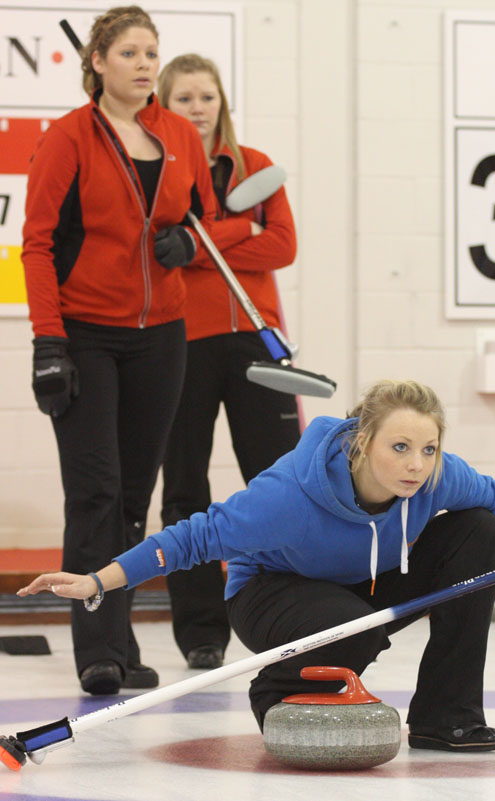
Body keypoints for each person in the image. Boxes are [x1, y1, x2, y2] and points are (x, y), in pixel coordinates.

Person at [17, 379, 495, 751]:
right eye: (399, 447)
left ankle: (448, 715)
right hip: (273, 594)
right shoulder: (289, 494)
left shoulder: (436, 474)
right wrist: (98, 581)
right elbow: (192, 539)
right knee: (352, 632)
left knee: (475, 527)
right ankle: (276, 688)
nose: (416, 465)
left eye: (428, 449)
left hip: (365, 586)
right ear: (362, 442)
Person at [20, 6, 239, 696]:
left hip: (161, 338)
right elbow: (36, 243)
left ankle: (120, 634)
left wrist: (191, 243)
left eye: (153, 53)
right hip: (85, 334)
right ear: (98, 63)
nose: (145, 65)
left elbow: (205, 215)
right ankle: (98, 650)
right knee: (96, 493)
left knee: (134, 499)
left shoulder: (176, 134)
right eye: (130, 53)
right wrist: (48, 342)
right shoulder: (68, 138)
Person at [155, 54, 301, 671]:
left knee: (277, 483)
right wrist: (240, 233)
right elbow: (163, 254)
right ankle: (200, 630)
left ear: (222, 102)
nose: (197, 107)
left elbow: (284, 245)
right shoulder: (163, 175)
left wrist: (215, 235)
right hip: (181, 342)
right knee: (186, 486)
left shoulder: (256, 167)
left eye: (206, 96)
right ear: (164, 105)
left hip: (252, 341)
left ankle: (289, 609)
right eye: (184, 97)